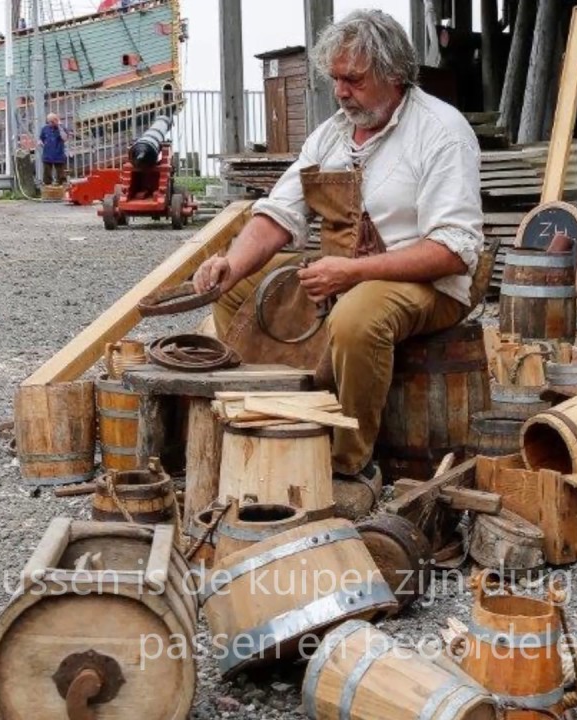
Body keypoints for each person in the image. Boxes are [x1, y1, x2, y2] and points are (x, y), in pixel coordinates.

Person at [191, 9, 483, 517]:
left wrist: (352, 273)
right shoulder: (330, 135)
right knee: (241, 292)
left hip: (431, 281)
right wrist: (229, 263)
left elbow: (454, 249)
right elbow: (279, 213)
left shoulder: (440, 130)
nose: (342, 92)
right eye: (336, 81)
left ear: (394, 74)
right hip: (345, 271)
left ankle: (351, 461)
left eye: (354, 80)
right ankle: (282, 420)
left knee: (357, 316)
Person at [38, 113, 68, 186]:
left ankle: (61, 187)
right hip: (47, 154)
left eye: (52, 121)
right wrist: (40, 142)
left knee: (61, 175)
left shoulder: (62, 128)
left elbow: (64, 138)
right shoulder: (45, 129)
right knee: (47, 175)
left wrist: (59, 126)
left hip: (58, 155)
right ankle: (48, 187)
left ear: (56, 120)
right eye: (49, 121)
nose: (50, 123)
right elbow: (41, 139)